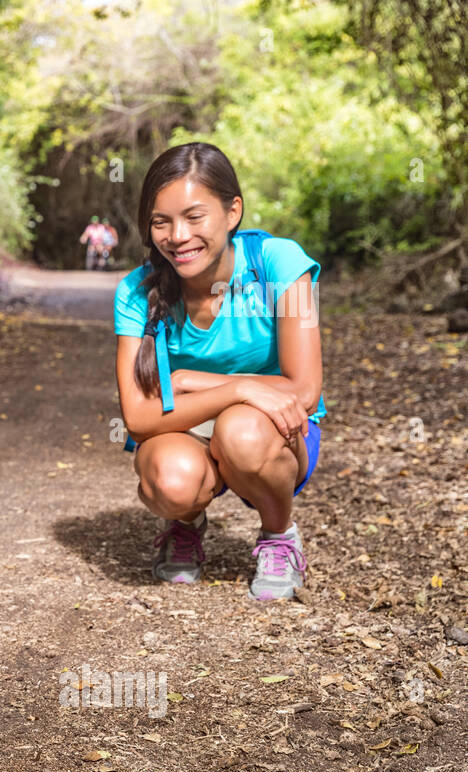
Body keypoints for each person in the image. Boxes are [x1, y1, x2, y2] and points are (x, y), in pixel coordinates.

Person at [113, 142, 324, 600]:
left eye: (194, 217)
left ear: (233, 212)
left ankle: (278, 534)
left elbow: (304, 390)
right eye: (160, 222)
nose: (177, 236)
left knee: (240, 432)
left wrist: (194, 382)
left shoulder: (279, 263)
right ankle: (185, 523)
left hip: (270, 431)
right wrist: (241, 387)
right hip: (183, 427)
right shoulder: (135, 291)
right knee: (170, 478)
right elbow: (138, 418)